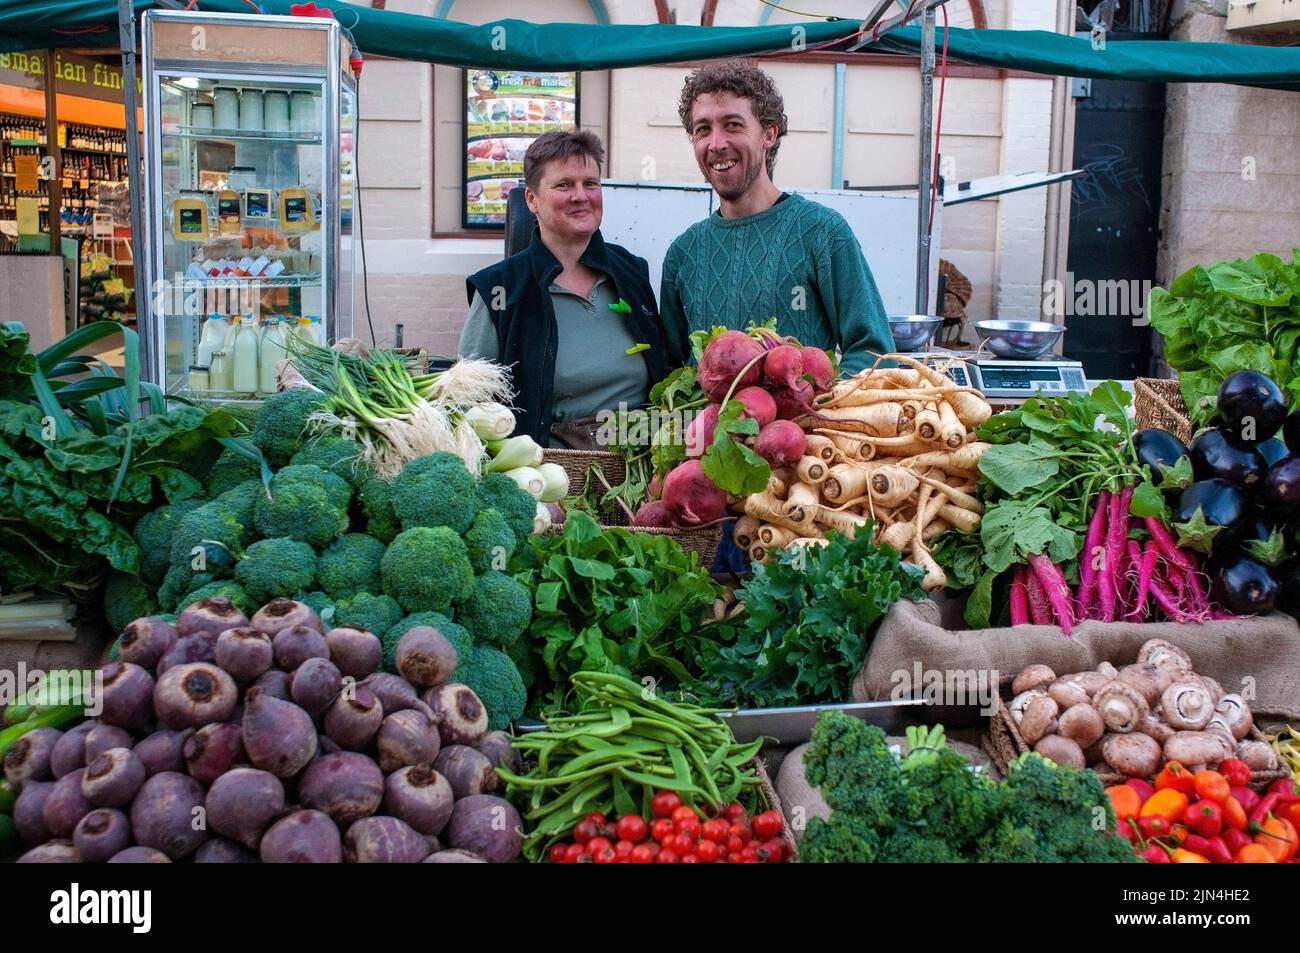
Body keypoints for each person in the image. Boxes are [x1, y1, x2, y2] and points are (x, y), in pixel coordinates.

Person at [660, 61, 895, 376]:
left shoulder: (822, 233)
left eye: (732, 125)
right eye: (703, 129)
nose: (716, 144)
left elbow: (875, 353)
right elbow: (671, 369)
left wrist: (818, 402)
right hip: (707, 426)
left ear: (768, 134)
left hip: (806, 424)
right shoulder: (682, 253)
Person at [461, 130, 683, 449]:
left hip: (645, 470)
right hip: (553, 478)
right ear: (532, 200)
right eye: (564, 185)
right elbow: (470, 403)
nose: (581, 195)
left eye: (590, 183)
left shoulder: (631, 271)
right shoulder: (499, 289)